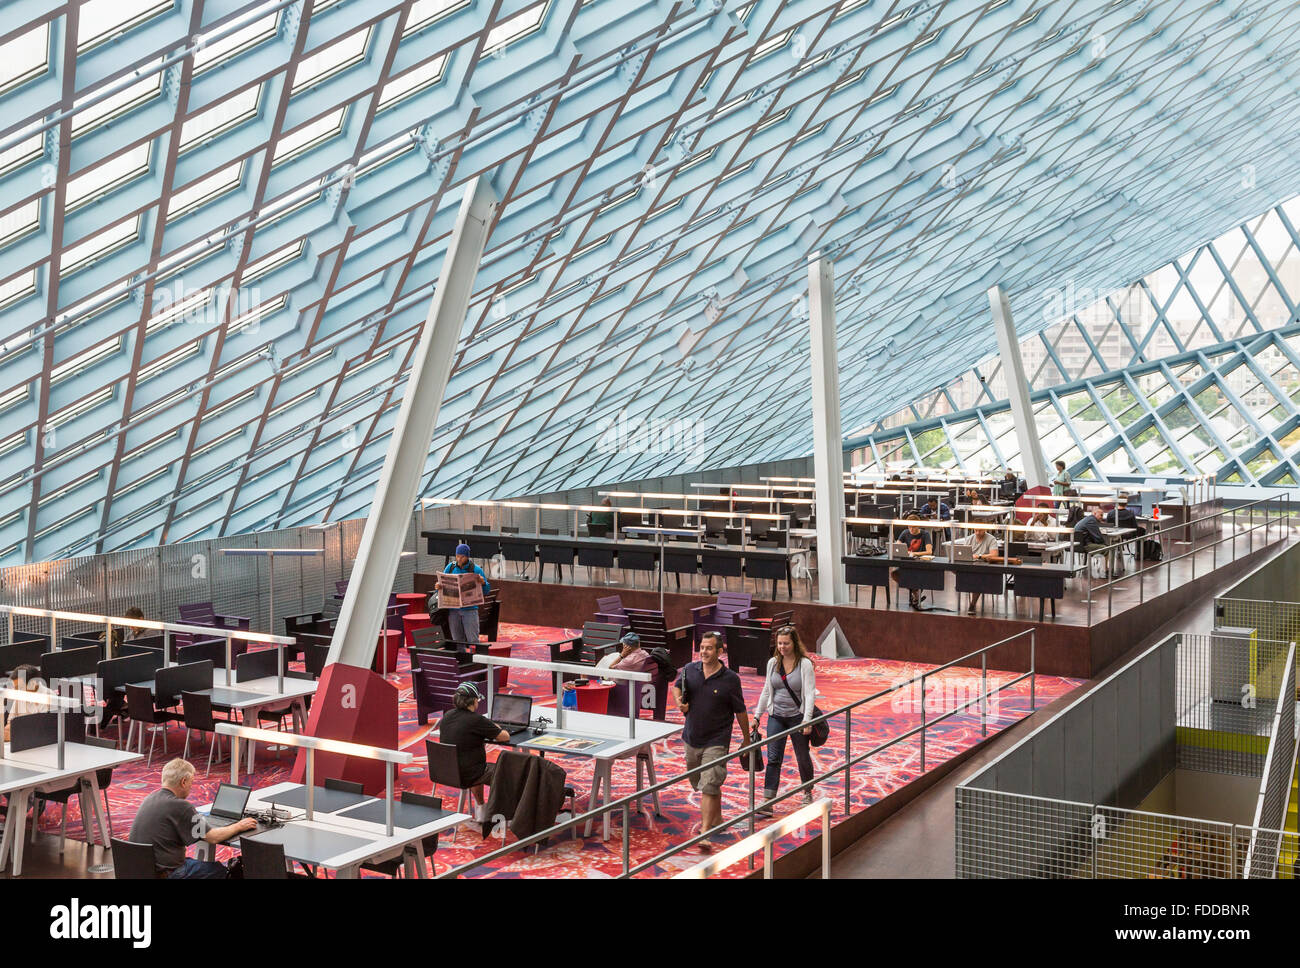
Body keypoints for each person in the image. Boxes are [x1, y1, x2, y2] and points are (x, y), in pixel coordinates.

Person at [673, 632, 749, 849]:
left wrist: (745, 740)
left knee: (709, 784)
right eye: (702, 648)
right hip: (691, 736)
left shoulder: (730, 679)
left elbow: (740, 711)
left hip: (717, 739)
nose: (704, 652)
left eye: (709, 648)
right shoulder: (690, 670)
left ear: (719, 651)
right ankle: (717, 819)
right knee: (701, 782)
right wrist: (679, 702)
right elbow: (676, 686)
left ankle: (704, 832)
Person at [127, 758, 257, 878]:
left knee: (200, 865)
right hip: (168, 874)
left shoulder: (149, 798)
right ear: (183, 782)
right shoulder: (180, 806)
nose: (191, 786)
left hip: (141, 870)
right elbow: (212, 837)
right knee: (225, 871)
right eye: (191, 782)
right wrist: (239, 826)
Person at [752, 626, 817, 815]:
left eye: (786, 643)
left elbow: (810, 694)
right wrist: (758, 715)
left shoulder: (804, 664)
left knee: (802, 756)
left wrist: (807, 720)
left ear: (794, 643)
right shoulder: (772, 663)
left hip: (797, 717)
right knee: (773, 758)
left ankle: (807, 791)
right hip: (776, 716)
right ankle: (768, 800)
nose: (782, 647)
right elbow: (766, 691)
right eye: (779, 643)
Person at [434, 681, 508, 819]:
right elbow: (504, 736)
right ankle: (505, 814)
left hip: (446, 772)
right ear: (474, 701)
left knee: (475, 766)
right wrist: (494, 726)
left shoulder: (447, 716)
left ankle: (481, 809)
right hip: (469, 774)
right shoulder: (476, 720)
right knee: (507, 772)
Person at [442, 543, 491, 646]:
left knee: (473, 640)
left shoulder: (476, 570)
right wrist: (439, 586)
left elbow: (486, 591)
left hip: (470, 610)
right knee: (457, 640)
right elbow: (443, 584)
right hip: (453, 610)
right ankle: (461, 660)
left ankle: (476, 660)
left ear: (467, 557)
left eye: (462, 556)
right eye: (457, 556)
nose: (459, 559)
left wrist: (483, 583)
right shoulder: (450, 568)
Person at [892, 514, 933, 609]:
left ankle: (915, 596)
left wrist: (915, 553)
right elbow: (896, 547)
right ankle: (916, 595)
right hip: (907, 563)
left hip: (920, 563)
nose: (911, 529)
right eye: (909, 526)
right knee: (895, 574)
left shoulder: (925, 534)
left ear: (918, 525)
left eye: (913, 527)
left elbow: (929, 551)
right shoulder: (905, 533)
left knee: (913, 575)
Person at [960, 527, 1000, 615]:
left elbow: (994, 555)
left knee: (977, 578)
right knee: (955, 570)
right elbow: (963, 553)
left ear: (985, 529)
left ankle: (972, 605)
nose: (977, 533)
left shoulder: (991, 539)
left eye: (980, 530)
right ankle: (966, 582)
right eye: (975, 530)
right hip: (970, 566)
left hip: (984, 567)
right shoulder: (970, 538)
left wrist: (979, 556)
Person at [2, 664, 42, 742]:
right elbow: (10, 725)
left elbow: (42, 732)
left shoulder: (49, 698)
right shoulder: (19, 696)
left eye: (18, 687)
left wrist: (14, 736)